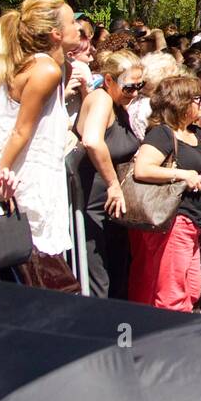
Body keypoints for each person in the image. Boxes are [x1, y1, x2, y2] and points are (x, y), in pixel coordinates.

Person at [0, 0, 82, 290]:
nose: (80, 28)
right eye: (73, 22)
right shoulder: (44, 69)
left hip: (37, 175)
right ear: (56, 33)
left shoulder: (53, 66)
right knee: (37, 274)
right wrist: (1, 176)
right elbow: (20, 130)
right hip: (25, 180)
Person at [129, 76, 201, 312]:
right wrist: (184, 175)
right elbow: (143, 169)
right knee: (173, 292)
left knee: (192, 287)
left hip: (194, 222)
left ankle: (181, 335)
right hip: (175, 220)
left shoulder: (193, 132)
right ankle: (175, 340)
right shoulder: (162, 134)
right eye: (197, 98)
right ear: (181, 103)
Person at [75, 49, 144, 299]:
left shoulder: (120, 105)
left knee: (118, 276)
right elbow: (92, 140)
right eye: (129, 87)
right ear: (109, 80)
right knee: (99, 283)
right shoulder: (101, 99)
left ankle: (121, 334)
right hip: (93, 205)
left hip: (113, 209)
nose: (135, 93)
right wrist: (113, 184)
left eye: (140, 86)